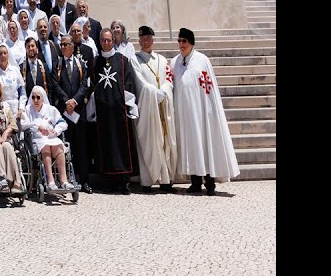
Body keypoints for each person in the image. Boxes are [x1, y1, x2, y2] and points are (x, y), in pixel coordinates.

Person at [170, 28, 239, 195]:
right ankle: (195, 182)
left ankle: (209, 182)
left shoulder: (202, 60)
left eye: (184, 41)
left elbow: (208, 87)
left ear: (191, 43)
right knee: (191, 146)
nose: (181, 44)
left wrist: (208, 109)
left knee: (204, 144)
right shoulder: (175, 62)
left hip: (201, 113)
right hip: (185, 114)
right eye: (179, 41)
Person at [92, 28, 139, 193]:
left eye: (108, 40)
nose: (106, 43)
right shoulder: (95, 61)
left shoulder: (123, 60)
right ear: (100, 42)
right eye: (103, 40)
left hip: (119, 111)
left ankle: (125, 180)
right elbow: (92, 86)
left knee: (122, 145)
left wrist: (129, 104)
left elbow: (128, 82)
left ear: (113, 41)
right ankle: (110, 181)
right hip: (103, 111)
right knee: (106, 145)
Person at [130, 26, 177, 191]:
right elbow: (139, 80)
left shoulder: (162, 60)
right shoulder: (135, 59)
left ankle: (166, 180)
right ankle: (147, 181)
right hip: (148, 109)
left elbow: (169, 78)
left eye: (149, 38)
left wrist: (164, 90)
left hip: (163, 107)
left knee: (164, 141)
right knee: (150, 142)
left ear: (153, 40)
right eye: (143, 39)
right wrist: (152, 92)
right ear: (139, 40)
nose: (146, 41)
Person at [52, 36, 92, 193]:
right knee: (65, 146)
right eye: (61, 45)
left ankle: (85, 180)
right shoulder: (57, 65)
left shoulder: (81, 64)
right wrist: (66, 101)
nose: (62, 47)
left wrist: (74, 101)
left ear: (72, 46)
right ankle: (67, 178)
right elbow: (54, 84)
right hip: (64, 112)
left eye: (65, 44)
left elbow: (85, 85)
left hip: (78, 112)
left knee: (81, 146)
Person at [24, 85, 71, 191]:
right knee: (46, 147)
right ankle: (50, 181)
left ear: (43, 98)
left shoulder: (51, 109)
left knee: (59, 145)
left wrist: (57, 130)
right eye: (33, 97)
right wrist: (37, 127)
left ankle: (64, 181)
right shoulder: (27, 110)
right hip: (36, 139)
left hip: (50, 137)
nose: (35, 100)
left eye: (38, 97)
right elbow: (24, 125)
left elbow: (63, 122)